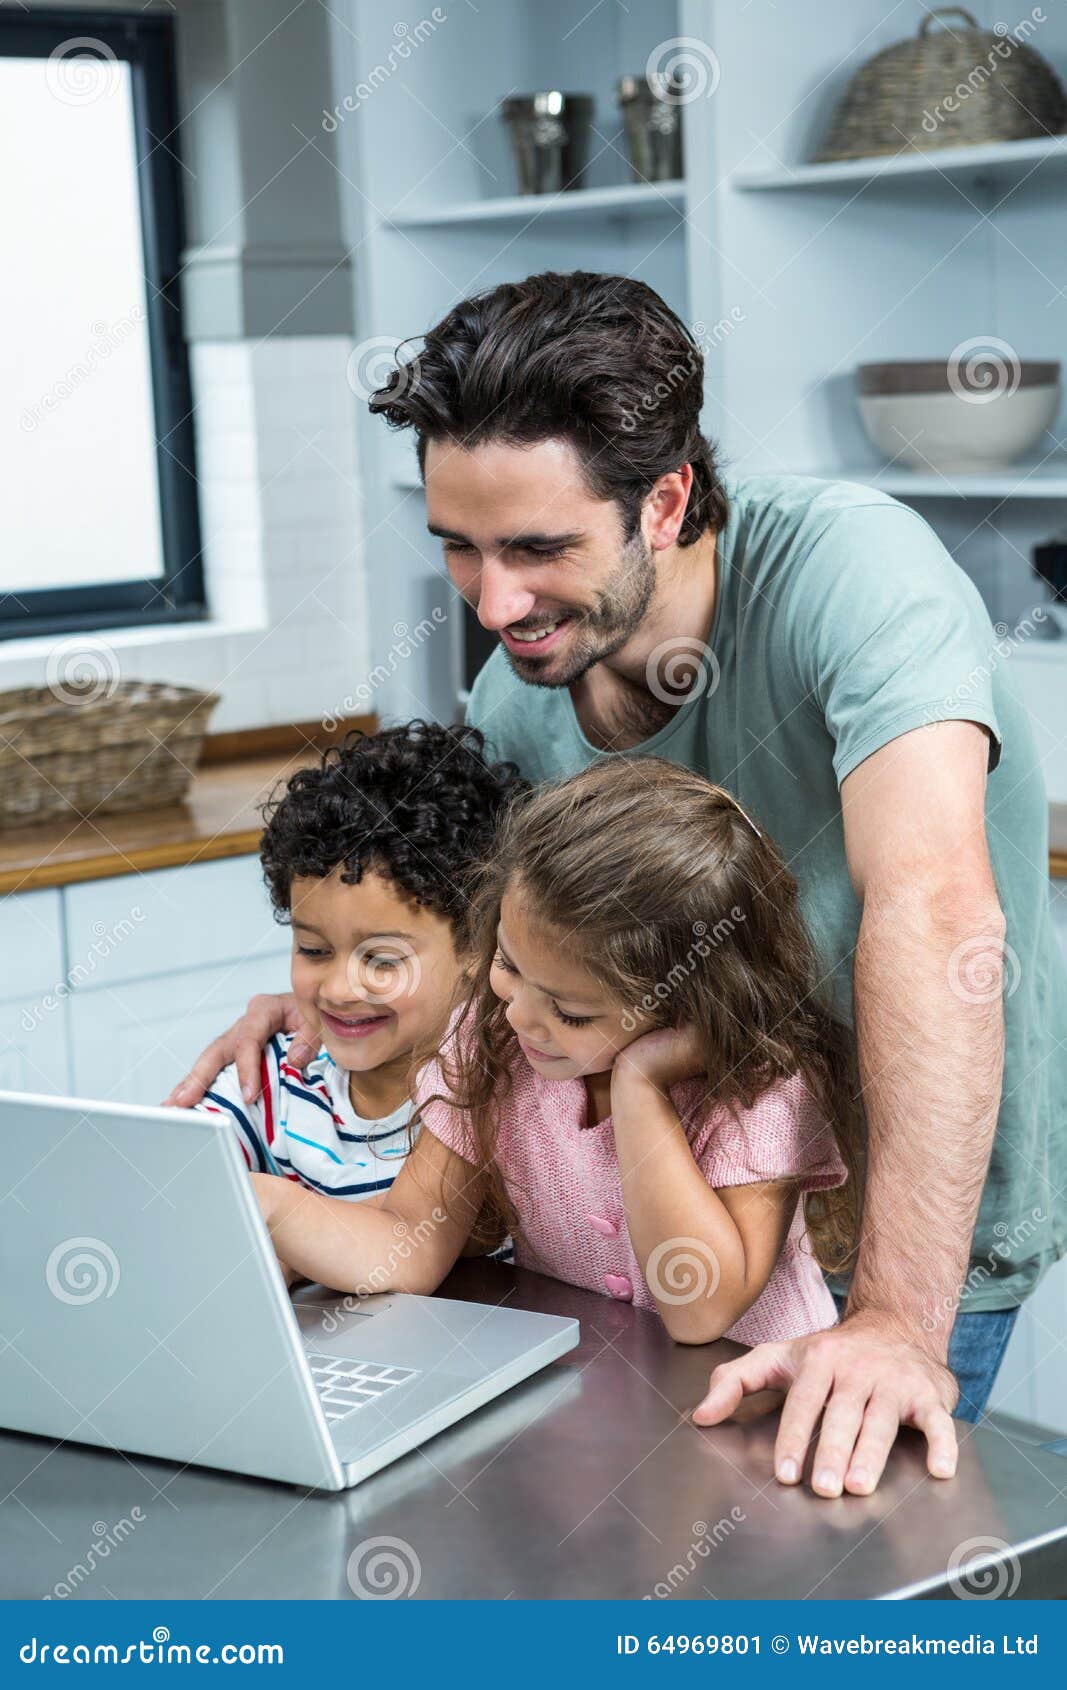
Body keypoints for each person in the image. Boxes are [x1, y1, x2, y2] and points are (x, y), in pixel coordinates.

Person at [166, 270, 1067, 1500]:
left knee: (845, 1590)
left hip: (902, 1230)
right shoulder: (517, 693)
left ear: (665, 499)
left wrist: (902, 1317)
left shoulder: (850, 578)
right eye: (460, 550)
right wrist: (336, 999)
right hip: (654, 1250)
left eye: (538, 548)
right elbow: (495, 956)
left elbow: (933, 909)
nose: (495, 604)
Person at [250, 761, 867, 1358]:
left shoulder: (762, 1089)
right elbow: (409, 1248)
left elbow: (699, 1313)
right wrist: (271, 1205)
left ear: (687, 1006)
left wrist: (640, 1087)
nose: (520, 1015)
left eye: (570, 1013)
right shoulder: (492, 1040)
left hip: (753, 1414)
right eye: (509, 965)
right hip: (596, 1404)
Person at [186, 720, 524, 1204]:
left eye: (383, 960)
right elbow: (175, 1183)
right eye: (314, 950)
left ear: (477, 944)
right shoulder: (273, 1081)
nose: (341, 990)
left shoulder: (505, 1098)